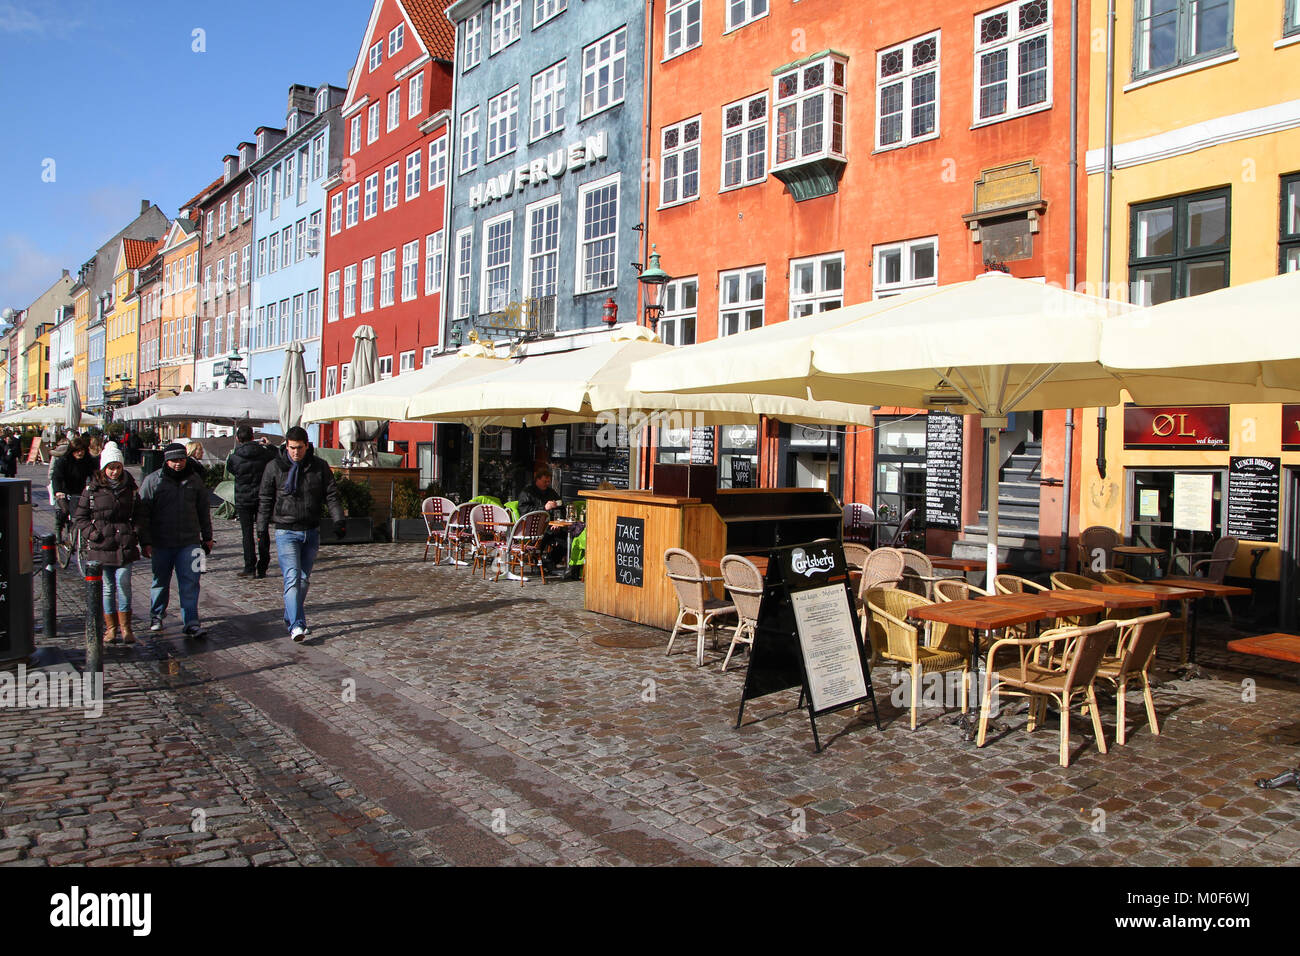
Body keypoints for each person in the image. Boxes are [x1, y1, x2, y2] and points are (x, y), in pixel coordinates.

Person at [257, 426, 345, 642]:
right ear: (286, 446)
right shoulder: (274, 467)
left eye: (299, 448)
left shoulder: (319, 467)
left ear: (307, 446)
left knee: (304, 580)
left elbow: (331, 495)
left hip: (311, 530)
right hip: (286, 530)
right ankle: (297, 625)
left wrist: (339, 520)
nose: (295, 452)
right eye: (291, 448)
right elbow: (265, 499)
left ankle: (290, 615)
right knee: (292, 577)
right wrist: (261, 530)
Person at [74, 442, 149, 644]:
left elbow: (140, 514)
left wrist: (135, 532)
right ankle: (111, 628)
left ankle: (126, 628)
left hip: (124, 544)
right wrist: (93, 533)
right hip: (102, 545)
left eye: (117, 467)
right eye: (110, 467)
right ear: (103, 468)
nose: (114, 472)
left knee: (124, 584)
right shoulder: (92, 489)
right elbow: (80, 517)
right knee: (107, 588)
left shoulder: (130, 488)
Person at [138, 442, 213, 639]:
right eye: (173, 460)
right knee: (160, 581)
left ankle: (191, 622)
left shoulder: (194, 480)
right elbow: (143, 514)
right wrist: (145, 541)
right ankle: (157, 615)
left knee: (190, 582)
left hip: (189, 542)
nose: (178, 464)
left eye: (181, 459)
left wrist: (208, 537)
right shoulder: (153, 481)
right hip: (161, 542)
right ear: (166, 461)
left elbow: (203, 510)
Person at [226, 425, 277, 578]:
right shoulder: (264, 453)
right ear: (252, 436)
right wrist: (269, 445)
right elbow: (279, 458)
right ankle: (263, 565)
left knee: (246, 534)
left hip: (243, 498)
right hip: (262, 497)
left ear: (237, 439)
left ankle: (249, 567)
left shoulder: (234, 456)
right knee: (263, 530)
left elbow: (231, 470)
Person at [517, 465, 566, 574]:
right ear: (537, 480)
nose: (547, 484)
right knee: (540, 539)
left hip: (550, 525)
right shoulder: (527, 492)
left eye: (548, 481)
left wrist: (559, 522)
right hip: (533, 527)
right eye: (545, 481)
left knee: (566, 540)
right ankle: (535, 562)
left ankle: (550, 560)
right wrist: (544, 508)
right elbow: (524, 511)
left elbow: (562, 506)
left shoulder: (550, 492)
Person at [50, 436, 98, 541]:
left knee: (84, 512)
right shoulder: (64, 460)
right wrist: (58, 491)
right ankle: (59, 526)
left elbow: (94, 475)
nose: (80, 453)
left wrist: (95, 486)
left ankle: (81, 536)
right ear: (72, 451)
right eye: (77, 451)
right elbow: (56, 477)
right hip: (64, 490)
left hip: (79, 490)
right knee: (64, 510)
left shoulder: (88, 460)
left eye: (82, 450)